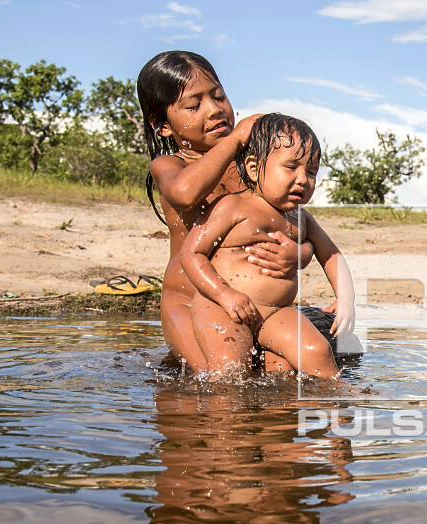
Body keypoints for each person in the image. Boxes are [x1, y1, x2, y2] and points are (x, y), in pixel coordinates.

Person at [137, 51, 316, 373]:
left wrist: (300, 253)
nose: (215, 109)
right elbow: (185, 193)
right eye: (194, 105)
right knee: (223, 377)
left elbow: (293, 223)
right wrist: (234, 140)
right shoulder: (170, 166)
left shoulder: (250, 166)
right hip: (190, 302)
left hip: (254, 304)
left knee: (283, 372)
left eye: (219, 96)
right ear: (162, 126)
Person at [180, 114, 354, 378]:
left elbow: (331, 254)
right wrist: (224, 293)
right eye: (291, 167)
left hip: (276, 313)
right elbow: (191, 253)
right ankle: (225, 416)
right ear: (253, 167)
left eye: (311, 172)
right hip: (223, 307)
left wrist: (346, 298)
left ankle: (339, 407)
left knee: (316, 351)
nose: (302, 179)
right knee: (230, 369)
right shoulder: (232, 206)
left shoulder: (301, 218)